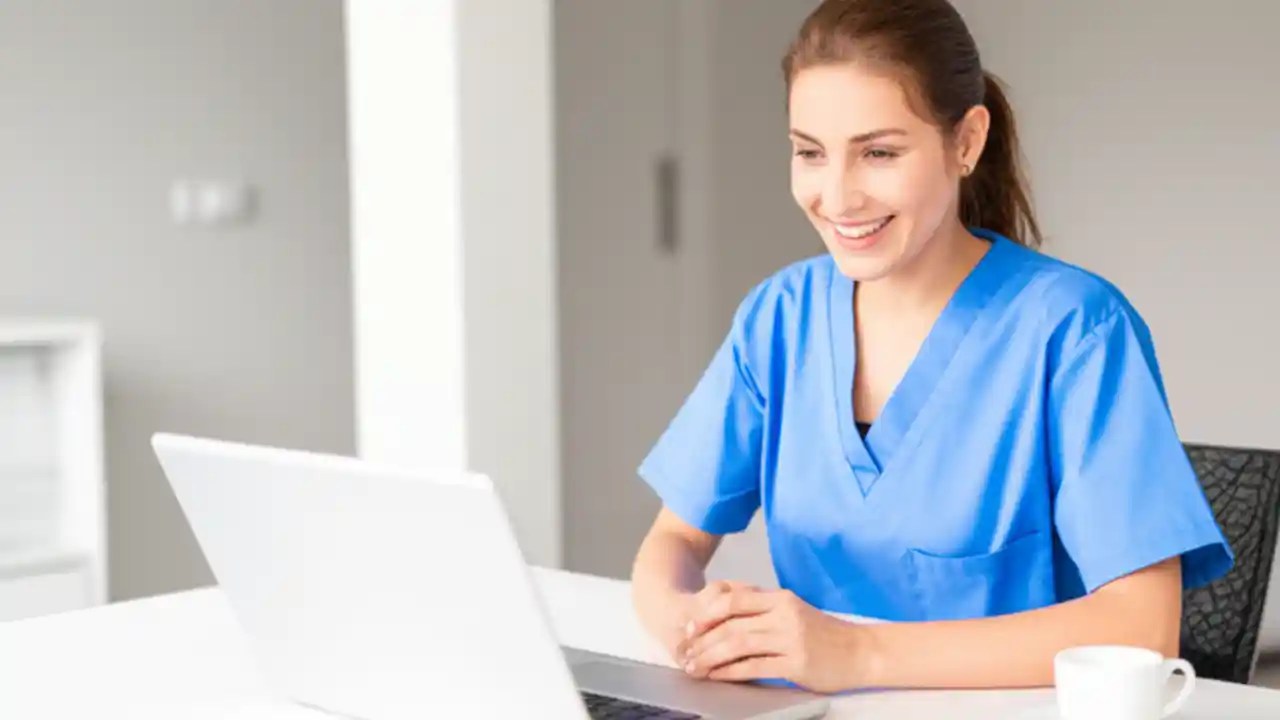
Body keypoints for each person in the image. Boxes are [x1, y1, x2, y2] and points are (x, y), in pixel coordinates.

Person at [629, 0, 1233, 693]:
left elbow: (1142, 628)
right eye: (810, 153)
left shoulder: (1075, 329)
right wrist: (689, 624)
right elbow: (672, 544)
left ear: (966, 141)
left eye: (879, 153)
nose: (837, 197)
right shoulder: (780, 317)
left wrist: (857, 655)